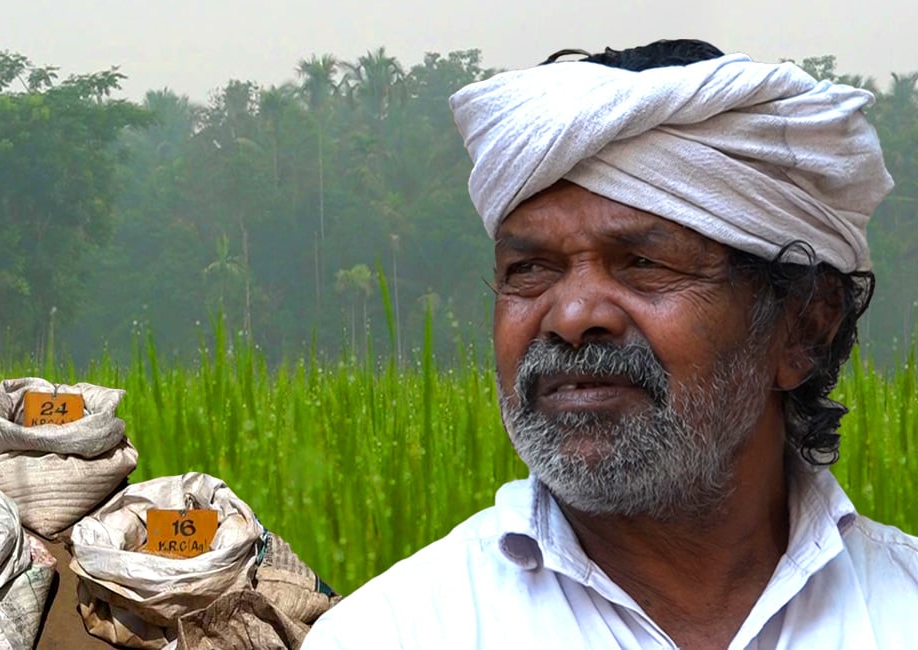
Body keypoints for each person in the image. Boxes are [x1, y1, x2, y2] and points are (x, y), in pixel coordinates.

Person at [303, 39, 918, 649]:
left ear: (803, 327)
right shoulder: (393, 633)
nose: (571, 316)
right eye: (530, 271)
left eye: (643, 263)